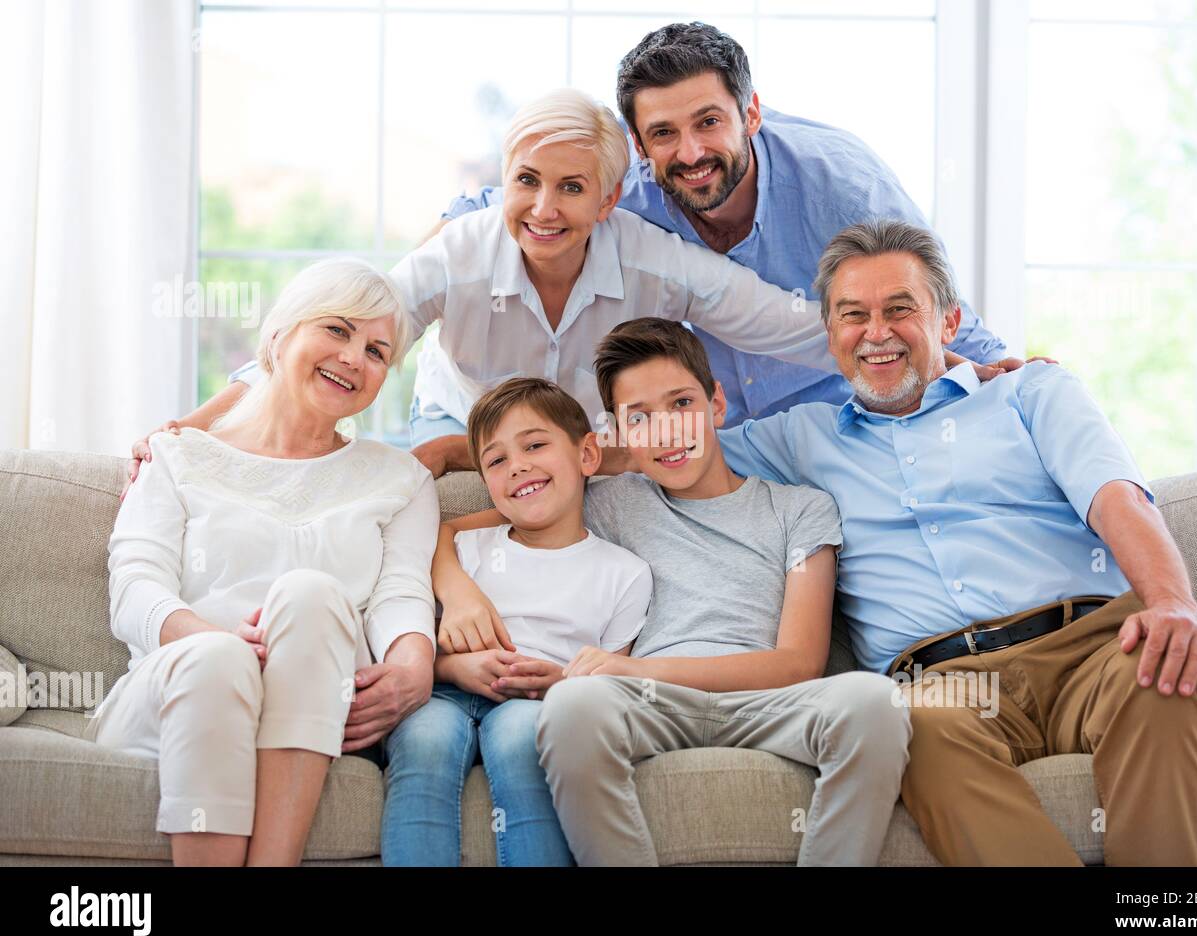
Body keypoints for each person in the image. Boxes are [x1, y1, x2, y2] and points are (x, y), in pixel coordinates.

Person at [717, 220, 1197, 866]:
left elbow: (1116, 497)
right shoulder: (799, 440)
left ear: (948, 322)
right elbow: (665, 454)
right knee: (912, 726)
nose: (876, 332)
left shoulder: (1031, 392)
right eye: (854, 316)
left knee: (1166, 677)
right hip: (939, 683)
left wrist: (1173, 603)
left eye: (901, 310)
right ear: (830, 333)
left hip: (1092, 645)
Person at [128, 87, 846, 483]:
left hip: (586, 444)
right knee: (429, 481)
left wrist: (926, 356)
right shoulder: (460, 255)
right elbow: (335, 341)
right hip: (461, 421)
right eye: (526, 182)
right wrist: (194, 428)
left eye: (571, 188)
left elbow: (788, 323)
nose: (542, 209)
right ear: (502, 183)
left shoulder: (657, 261)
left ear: (607, 201)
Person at [438, 318, 910, 866]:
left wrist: (637, 672)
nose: (664, 432)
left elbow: (800, 661)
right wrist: (459, 590)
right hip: (649, 707)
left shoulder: (801, 510)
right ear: (618, 434)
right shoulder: (608, 500)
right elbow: (460, 525)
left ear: (716, 404)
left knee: (875, 701)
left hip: (764, 702)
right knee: (571, 705)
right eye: (640, 418)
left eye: (680, 404)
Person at [438, 21, 1010, 427]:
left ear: (751, 113)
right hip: (722, 441)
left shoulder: (844, 187)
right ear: (638, 144)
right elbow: (481, 213)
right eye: (663, 133)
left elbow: (934, 307)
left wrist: (1012, 386)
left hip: (845, 420)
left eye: (708, 122)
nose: (690, 153)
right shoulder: (616, 191)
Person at [91, 259, 439, 866]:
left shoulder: (401, 479)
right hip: (177, 689)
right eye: (337, 330)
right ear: (278, 338)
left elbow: (402, 595)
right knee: (218, 659)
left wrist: (415, 667)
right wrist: (223, 643)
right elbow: (135, 589)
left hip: (316, 703)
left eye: (378, 351)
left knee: (311, 593)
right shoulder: (177, 457)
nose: (355, 357)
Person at [382, 378, 652, 866]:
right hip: (446, 690)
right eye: (497, 460)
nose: (518, 465)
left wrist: (562, 682)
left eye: (534, 445)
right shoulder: (467, 550)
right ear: (485, 483)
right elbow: (421, 643)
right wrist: (454, 669)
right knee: (422, 744)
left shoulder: (625, 574)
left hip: (536, 699)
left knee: (523, 743)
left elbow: (613, 680)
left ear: (587, 455)